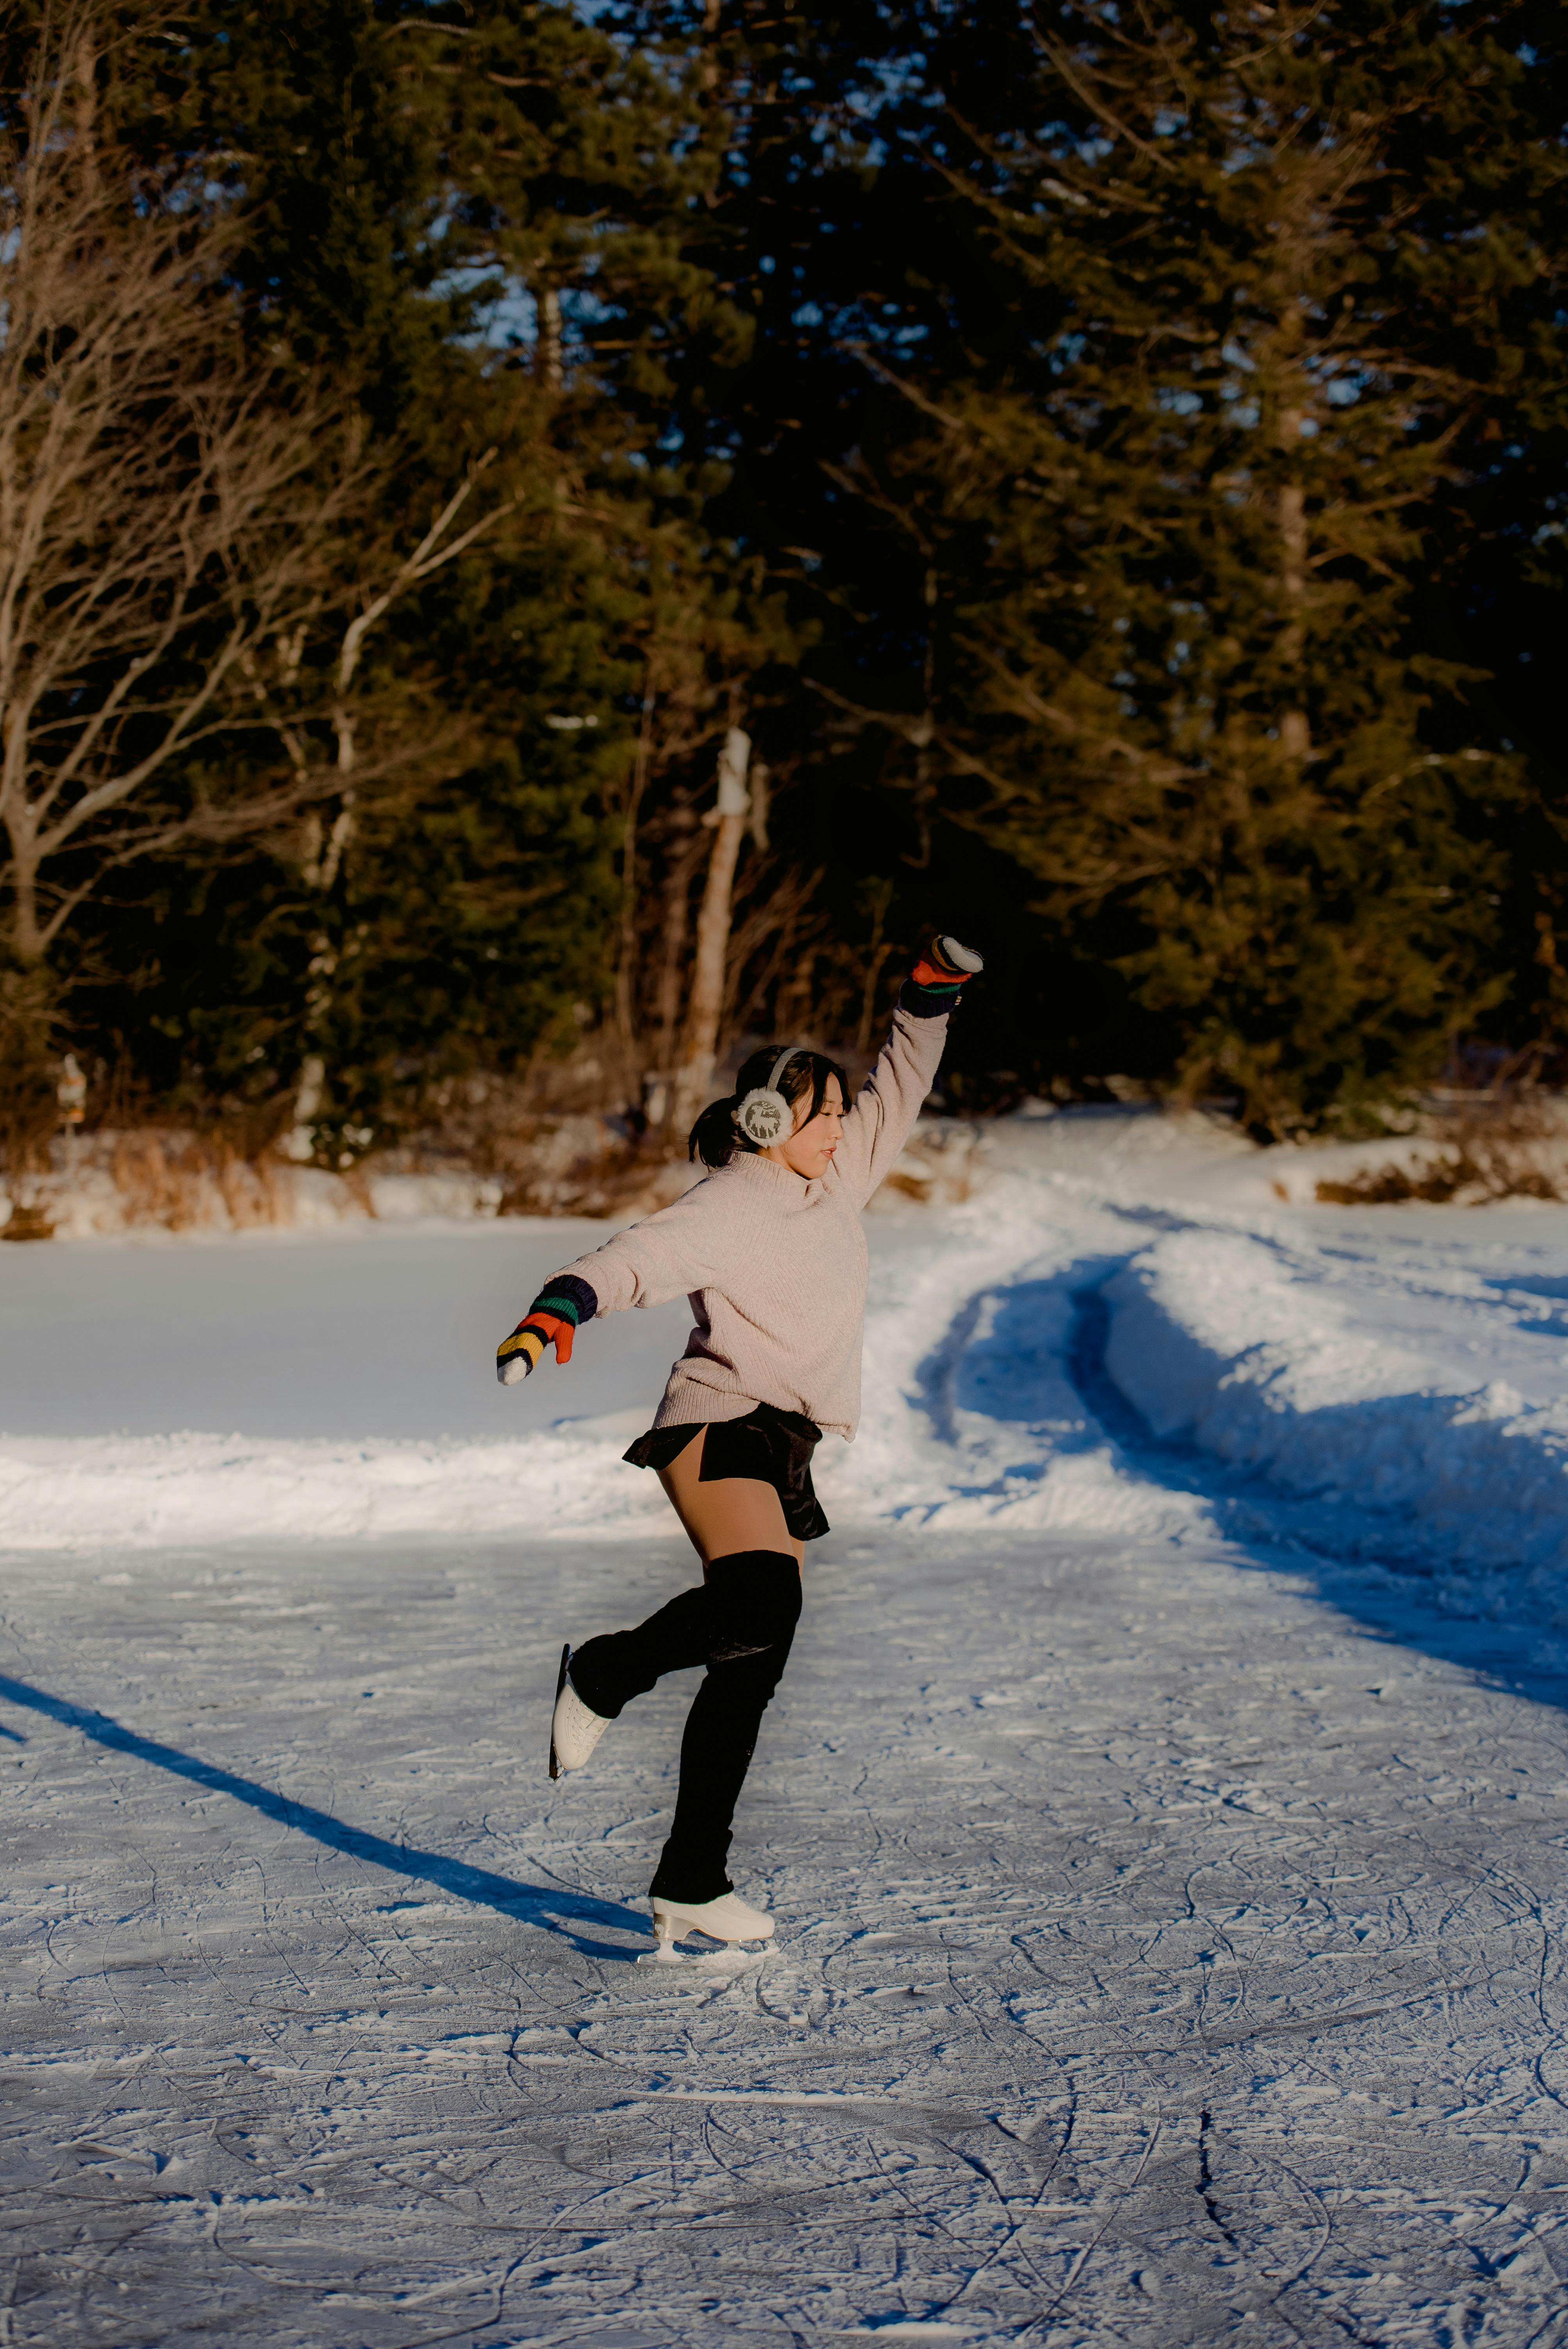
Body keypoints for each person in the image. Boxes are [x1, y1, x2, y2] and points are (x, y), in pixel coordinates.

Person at [495, 933, 984, 1956]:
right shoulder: (732, 1199)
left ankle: (693, 1877)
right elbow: (636, 1259)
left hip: (784, 1440)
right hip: (716, 1423)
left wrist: (929, 999)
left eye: (844, 1115)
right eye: (825, 1113)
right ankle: (602, 1674)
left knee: (755, 1655)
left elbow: (899, 1087)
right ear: (770, 1121)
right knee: (760, 1602)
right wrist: (560, 1312)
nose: (846, 1127)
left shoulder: (833, 1184)